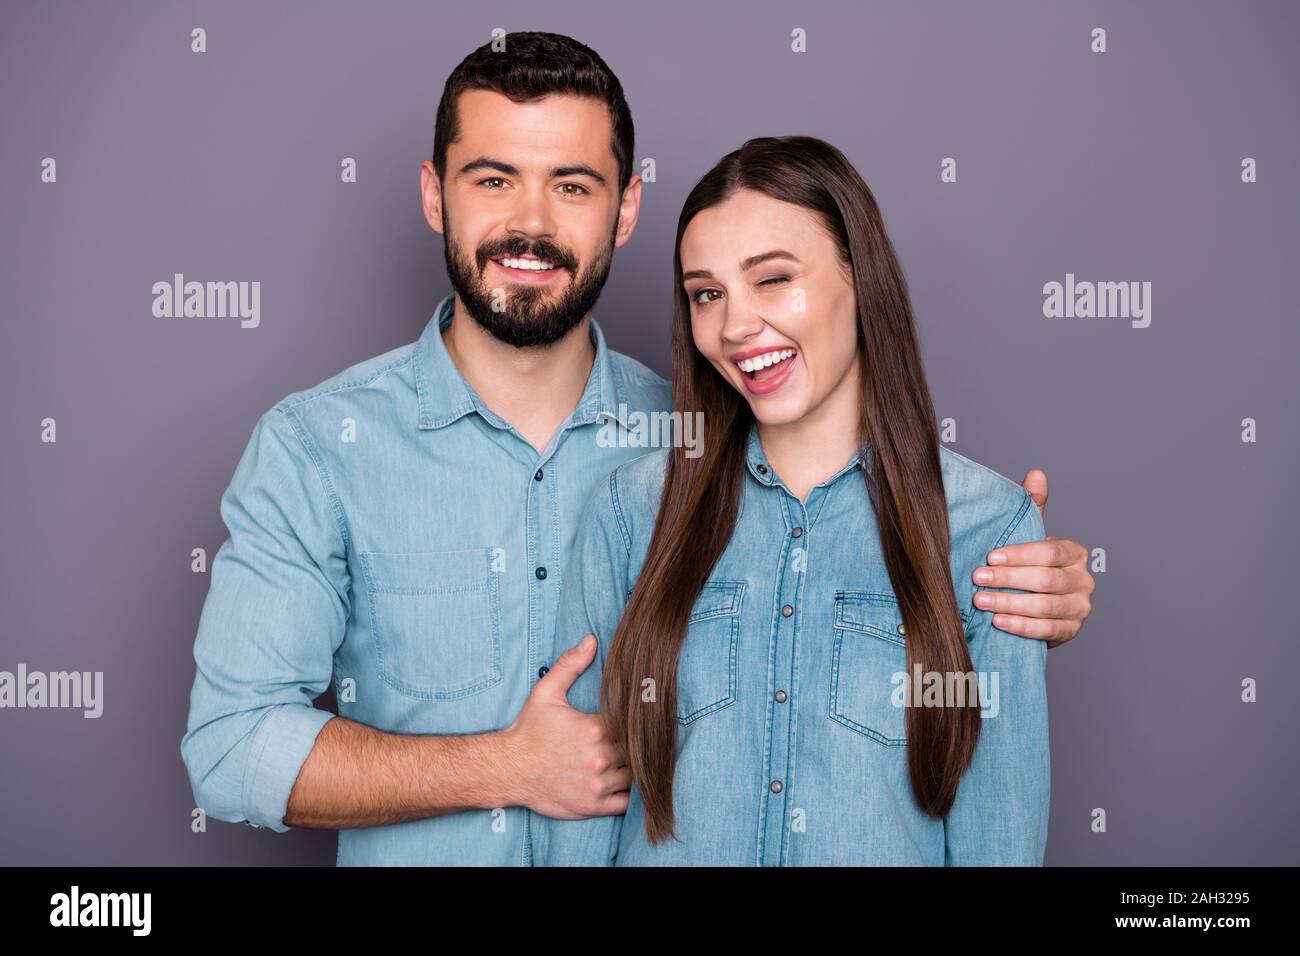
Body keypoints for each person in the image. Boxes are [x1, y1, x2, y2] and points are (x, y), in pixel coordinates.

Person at [181, 33, 1093, 867]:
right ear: (434, 194)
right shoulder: (316, 448)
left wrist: (1016, 569)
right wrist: (504, 768)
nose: (530, 222)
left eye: (572, 185)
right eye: (493, 179)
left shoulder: (710, 453)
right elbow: (229, 749)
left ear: (625, 209)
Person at [536, 136, 1054, 865]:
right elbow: (580, 811)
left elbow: (998, 839)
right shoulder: (629, 515)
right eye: (706, 294)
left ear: (858, 277)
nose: (734, 326)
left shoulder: (986, 530)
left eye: (773, 279)